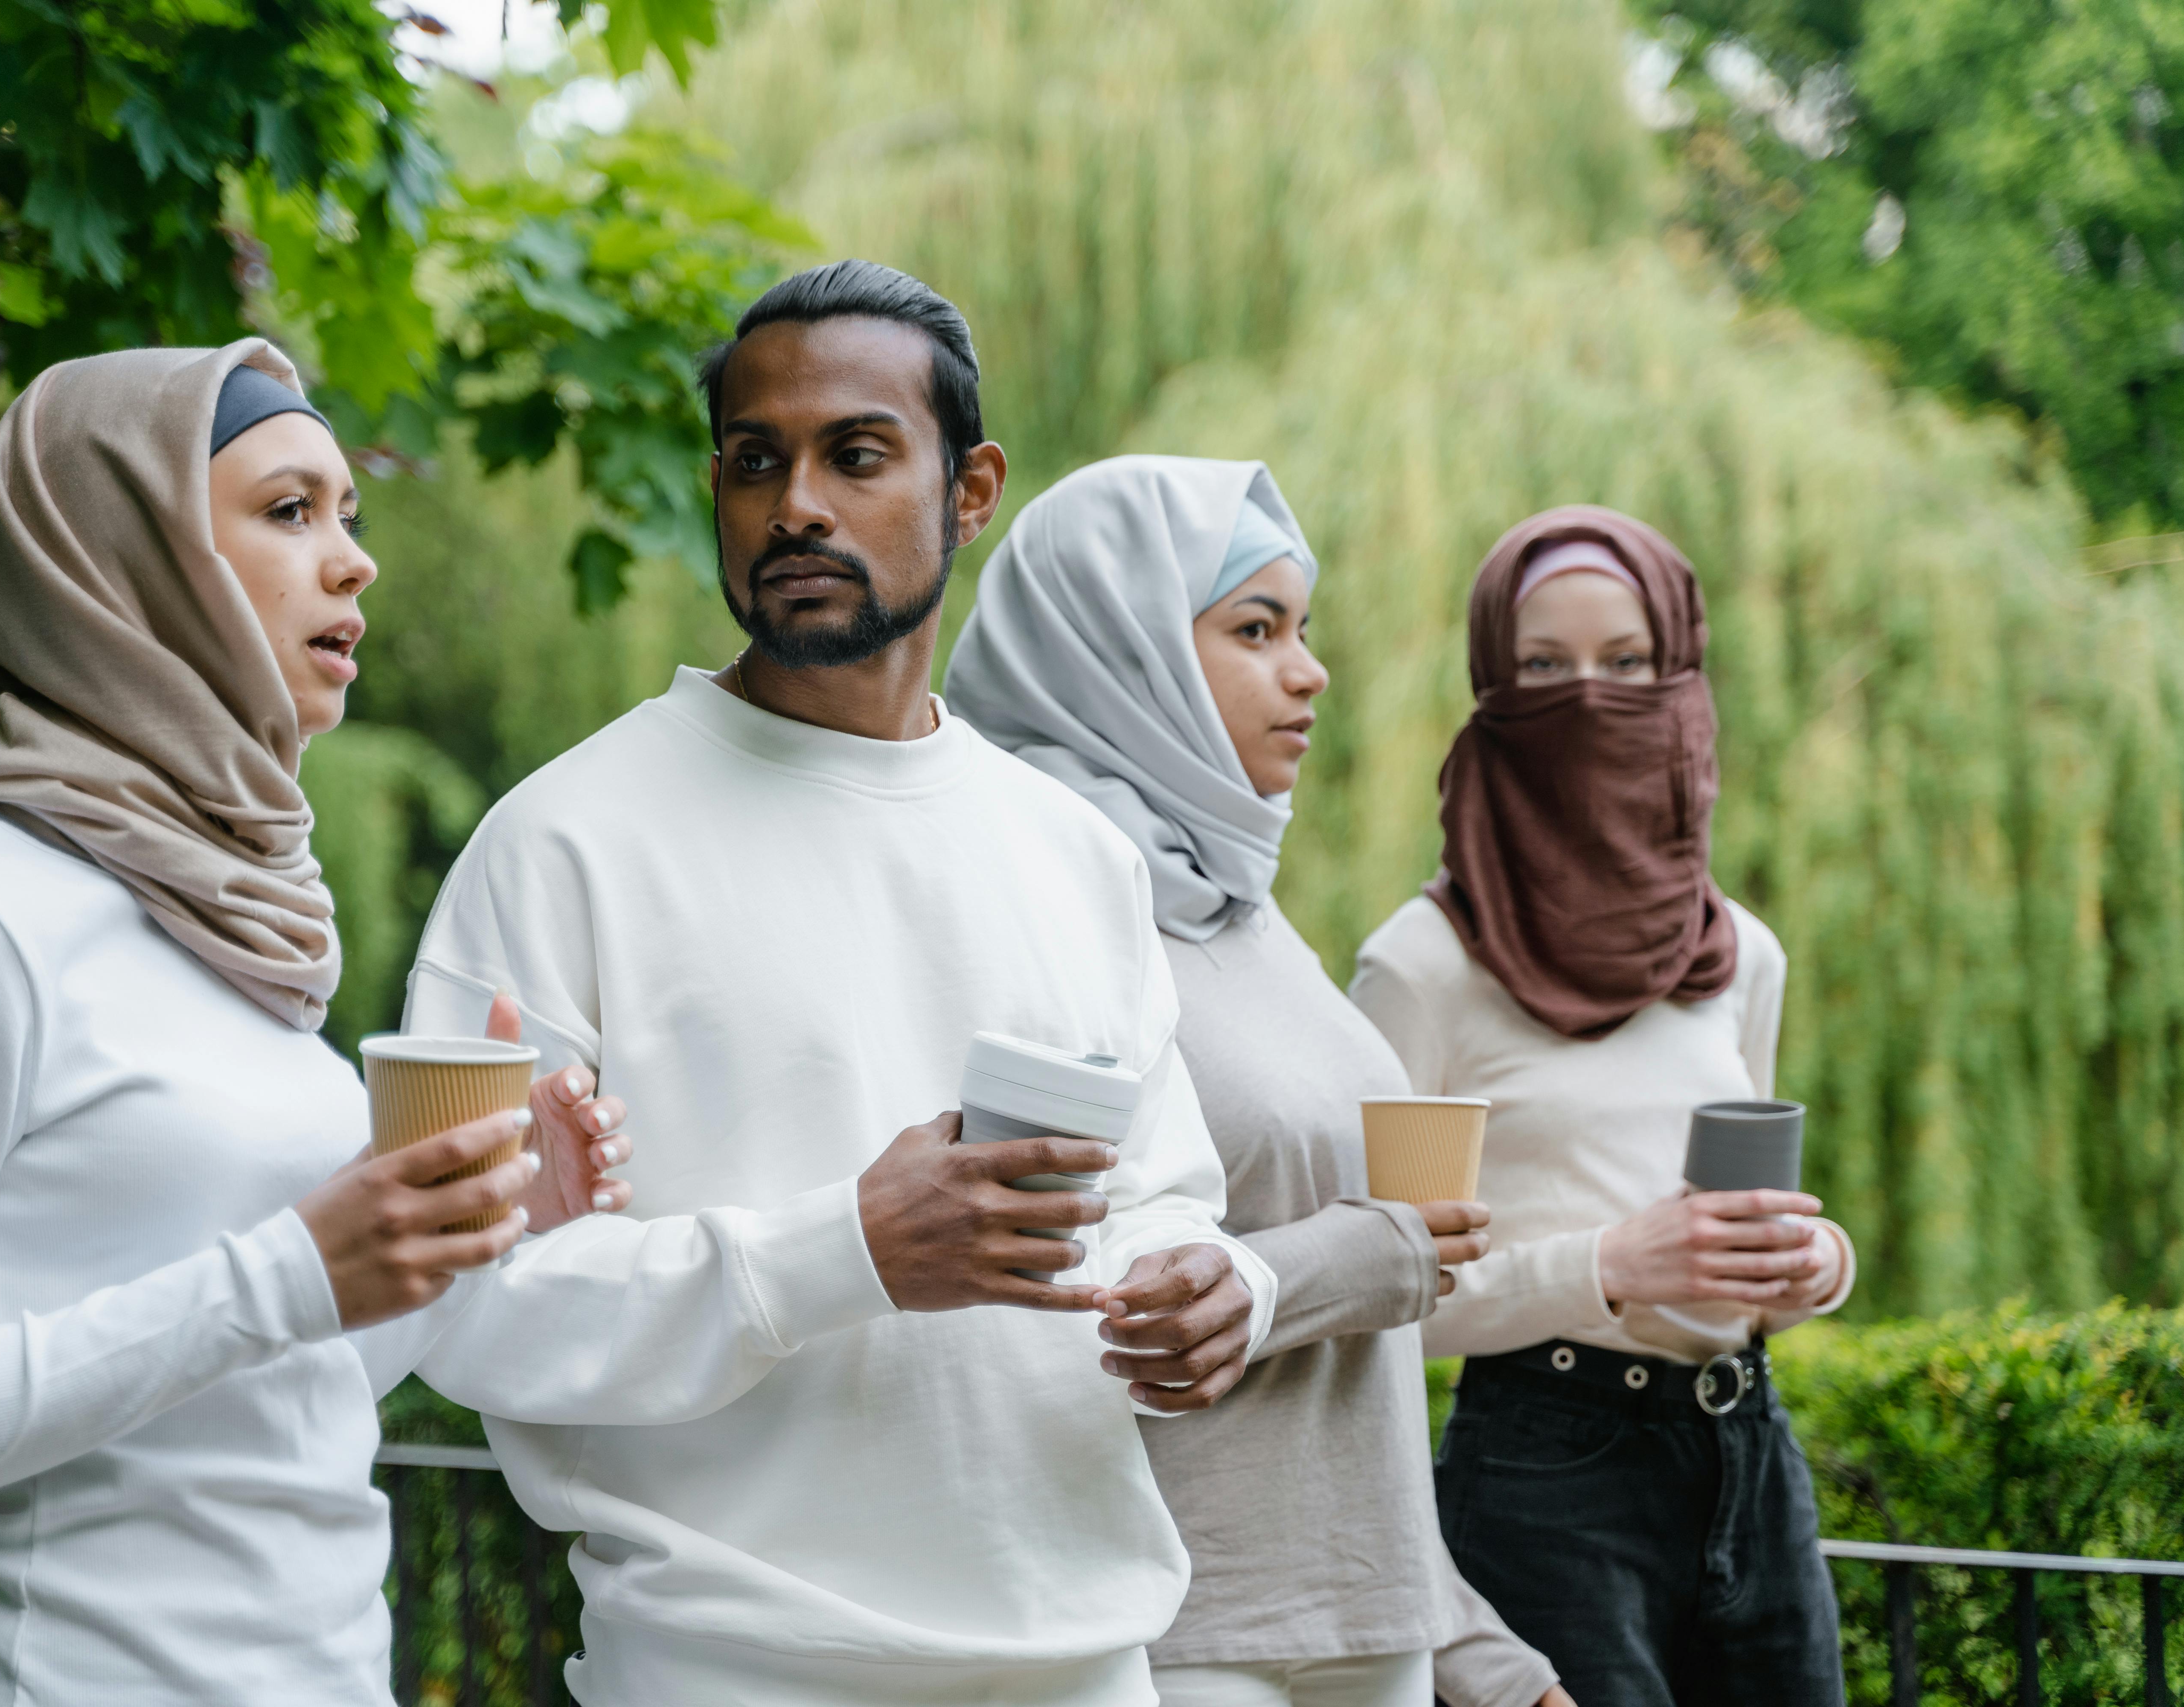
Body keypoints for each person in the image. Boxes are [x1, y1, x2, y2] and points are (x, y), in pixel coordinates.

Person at [397, 260, 1278, 1706]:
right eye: (757, 461)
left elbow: (1158, 1195)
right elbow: (468, 1305)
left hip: (1091, 1665)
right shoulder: (564, 841)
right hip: (727, 1670)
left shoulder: (1073, 854)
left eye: (856, 454)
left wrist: (1212, 1283)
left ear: (971, 485)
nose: (795, 502)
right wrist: (843, 1251)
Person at [0, 341, 624, 1704]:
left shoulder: (243, 922)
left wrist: (477, 1237)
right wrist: (285, 1272)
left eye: (350, 513)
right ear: (126, 565)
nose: (354, 560)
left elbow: (273, 1389)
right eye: (287, 510)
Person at [945, 456, 1568, 1707]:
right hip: (1176, 1632)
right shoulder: (1028, 911)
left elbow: (1359, 1394)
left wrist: (1477, 1654)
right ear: (1116, 648)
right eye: (1254, 628)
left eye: (1305, 627)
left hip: (1366, 1622)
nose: (1310, 669)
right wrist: (1366, 1257)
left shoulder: (1245, 910)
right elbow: (1027, 1294)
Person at [1349, 507, 1853, 1704]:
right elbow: (1376, 1296)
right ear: (1491, 690)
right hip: (1544, 1472)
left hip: (1751, 1455)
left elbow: (1748, 1227)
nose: (1590, 700)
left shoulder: (1741, 956)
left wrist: (1812, 1263)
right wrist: (1614, 1265)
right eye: (1544, 669)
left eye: (1627, 665)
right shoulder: (1422, 967)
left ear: (1680, 681)